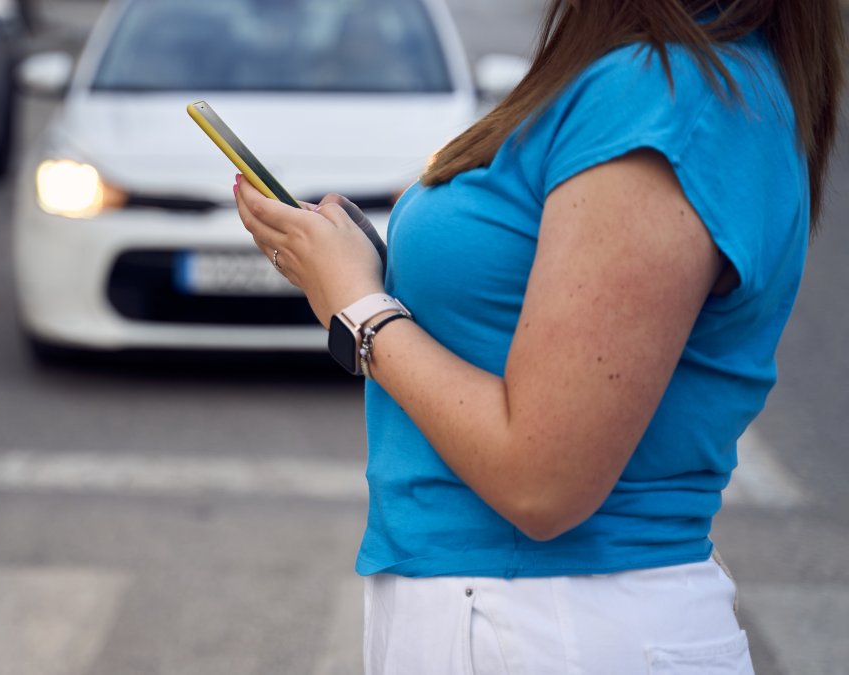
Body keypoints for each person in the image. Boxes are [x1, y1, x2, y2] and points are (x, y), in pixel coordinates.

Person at [233, 0, 844, 672]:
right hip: (534, 615)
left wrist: (358, 307)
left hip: (545, 620)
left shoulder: (665, 96)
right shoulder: (675, 82)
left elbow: (543, 481)